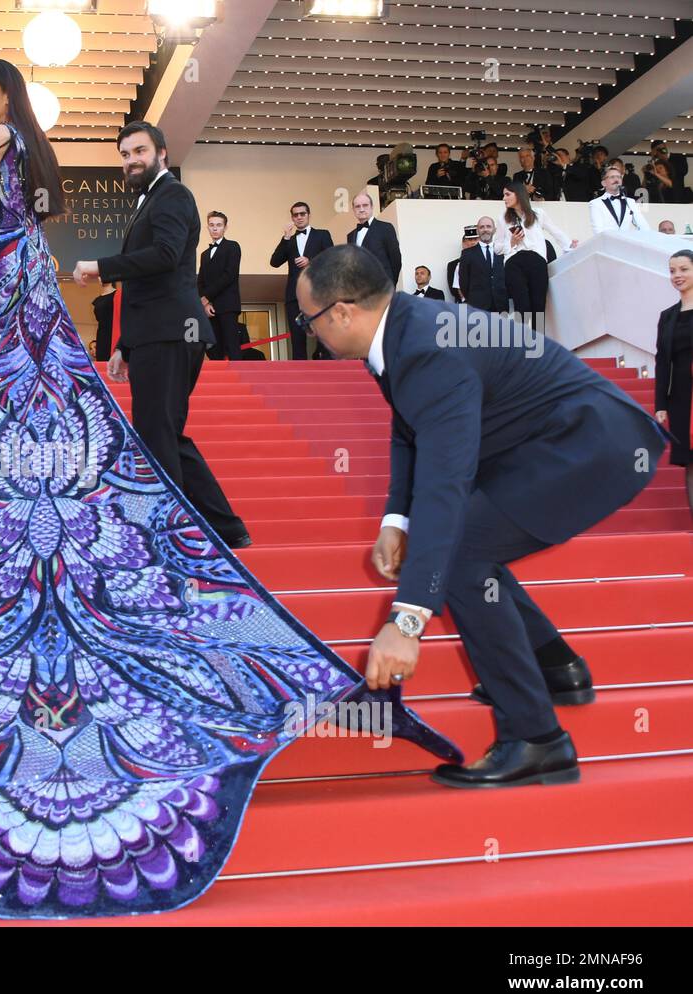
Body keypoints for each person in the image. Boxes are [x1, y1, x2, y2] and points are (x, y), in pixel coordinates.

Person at [0, 62, 458, 920]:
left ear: (7, 99)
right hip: (1, 273)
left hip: (8, 274)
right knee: (6, 405)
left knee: (35, 401)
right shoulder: (10, 141)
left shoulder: (1, 136)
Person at [295, 245, 667, 788]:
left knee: (463, 547)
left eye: (309, 320)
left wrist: (406, 622)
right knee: (470, 539)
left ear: (343, 312)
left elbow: (447, 488)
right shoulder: (401, 330)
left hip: (592, 443)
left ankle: (537, 739)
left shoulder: (425, 347)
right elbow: (410, 430)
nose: (309, 330)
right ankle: (556, 667)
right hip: (554, 440)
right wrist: (395, 521)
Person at [73, 120, 250, 549]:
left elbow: (166, 257)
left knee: (156, 433)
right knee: (164, 432)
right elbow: (149, 284)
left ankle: (169, 532)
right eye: (125, 154)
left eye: (139, 151)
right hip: (158, 332)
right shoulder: (150, 201)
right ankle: (226, 528)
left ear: (162, 154)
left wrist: (103, 266)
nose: (132, 160)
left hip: (172, 332)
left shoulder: (172, 195)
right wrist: (125, 344)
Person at [493, 181, 575, 314]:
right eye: (504, 195)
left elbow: (554, 231)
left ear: (518, 194)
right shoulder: (503, 218)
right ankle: (523, 335)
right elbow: (497, 248)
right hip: (514, 262)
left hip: (537, 262)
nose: (504, 198)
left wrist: (569, 244)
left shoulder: (538, 214)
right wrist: (512, 242)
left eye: (507, 194)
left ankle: (538, 335)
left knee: (539, 306)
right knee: (522, 306)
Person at [655, 250, 693, 521]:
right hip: (681, 398)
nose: (677, 275)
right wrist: (661, 405)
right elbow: (662, 362)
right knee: (690, 463)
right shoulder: (668, 316)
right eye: (672, 271)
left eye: (683, 269)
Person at [270, 200, 333, 359]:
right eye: (295, 215)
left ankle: (323, 369)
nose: (299, 217)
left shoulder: (322, 234)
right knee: (297, 338)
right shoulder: (289, 240)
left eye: (302, 214)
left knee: (323, 335)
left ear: (309, 215)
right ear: (292, 218)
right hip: (294, 295)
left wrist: (310, 261)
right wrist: (285, 238)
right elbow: (274, 262)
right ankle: (300, 375)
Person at [196, 210, 242, 361]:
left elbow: (229, 276)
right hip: (210, 308)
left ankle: (239, 384)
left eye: (218, 225)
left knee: (232, 347)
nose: (215, 228)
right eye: (211, 225)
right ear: (208, 227)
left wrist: (206, 297)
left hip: (227, 306)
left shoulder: (233, 246)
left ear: (225, 227)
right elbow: (200, 280)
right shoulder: (204, 254)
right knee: (214, 350)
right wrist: (205, 303)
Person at [346, 192, 401, 287]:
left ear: (372, 207)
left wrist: (390, 285)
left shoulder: (386, 228)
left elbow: (396, 260)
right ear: (353, 210)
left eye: (365, 205)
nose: (361, 209)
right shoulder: (351, 236)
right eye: (357, 206)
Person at [459, 216, 508, 313]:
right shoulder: (467, 253)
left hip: (501, 305)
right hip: (477, 306)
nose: (485, 230)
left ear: (494, 230)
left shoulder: (503, 251)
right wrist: (473, 298)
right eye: (481, 227)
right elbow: (464, 282)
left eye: (488, 226)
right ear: (477, 230)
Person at [589, 166, 651, 233]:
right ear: (603, 183)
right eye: (612, 177)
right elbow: (598, 230)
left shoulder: (630, 202)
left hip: (625, 242)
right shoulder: (596, 203)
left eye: (619, 177)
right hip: (607, 242)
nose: (616, 180)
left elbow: (644, 226)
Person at [91, 282, 115, 361]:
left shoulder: (118, 295)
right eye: (99, 276)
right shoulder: (98, 300)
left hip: (114, 333)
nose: (100, 279)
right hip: (102, 335)